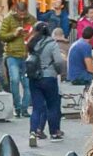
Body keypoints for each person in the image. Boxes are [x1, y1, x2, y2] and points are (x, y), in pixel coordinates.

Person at [26, 16, 65, 147]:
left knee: (36, 107)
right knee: (52, 105)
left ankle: (33, 131)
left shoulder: (32, 44)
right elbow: (59, 61)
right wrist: (59, 71)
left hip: (34, 78)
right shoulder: (52, 43)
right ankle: (54, 132)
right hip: (49, 77)